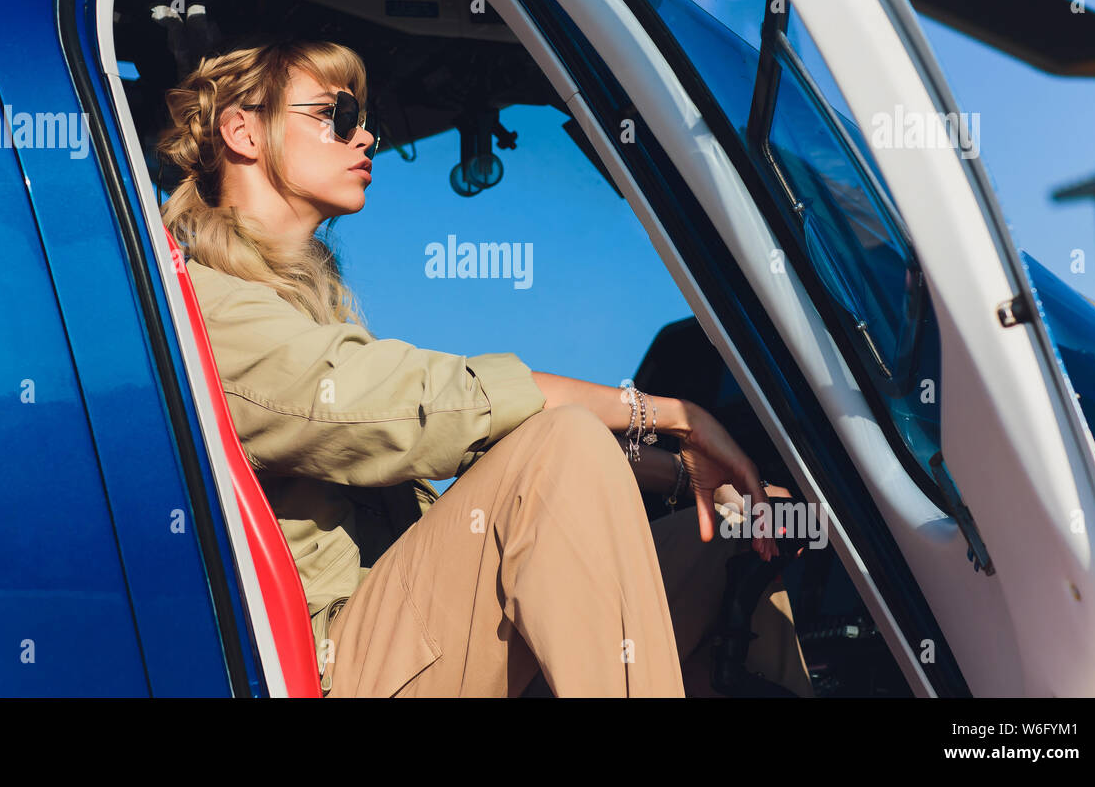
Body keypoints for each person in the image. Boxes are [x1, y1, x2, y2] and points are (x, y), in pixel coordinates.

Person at [156, 38, 813, 697]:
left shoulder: (311, 318)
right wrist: (674, 417)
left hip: (404, 641)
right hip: (337, 667)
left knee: (732, 545)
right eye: (338, 114)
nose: (366, 136)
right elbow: (423, 408)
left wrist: (685, 478)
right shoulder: (203, 305)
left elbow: (481, 442)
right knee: (563, 446)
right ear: (242, 130)